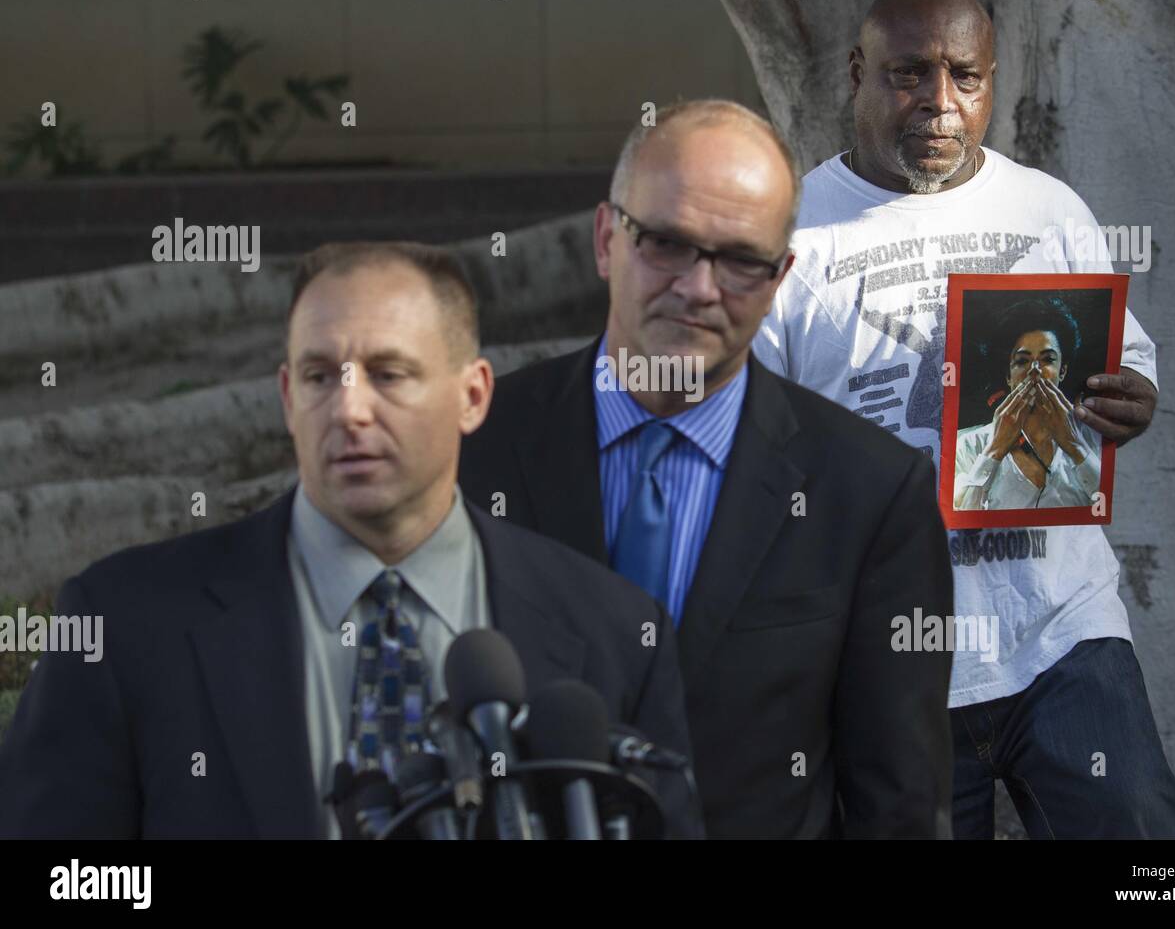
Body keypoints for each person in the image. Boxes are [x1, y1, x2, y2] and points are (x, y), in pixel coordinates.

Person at [0, 242, 700, 840]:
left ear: (474, 395)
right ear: (285, 397)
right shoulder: (126, 623)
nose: (349, 407)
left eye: (388, 374)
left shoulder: (614, 632)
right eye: (318, 376)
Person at [755, 0, 1175, 838]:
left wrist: (1130, 403)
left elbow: (1124, 364)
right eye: (909, 73)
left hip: (1061, 627)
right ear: (856, 72)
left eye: (966, 76)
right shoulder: (792, 231)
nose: (940, 103)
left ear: (993, 81)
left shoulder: (1047, 208)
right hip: (886, 657)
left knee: (1147, 842)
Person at [460, 99, 955, 839]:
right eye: (666, 242)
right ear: (605, 239)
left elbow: (901, 804)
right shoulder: (473, 446)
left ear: (781, 275)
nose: (698, 288)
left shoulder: (871, 492)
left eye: (740, 260)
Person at [954, 297, 1099, 510]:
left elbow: (1115, 510)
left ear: (1063, 370)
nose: (1035, 371)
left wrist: (1075, 447)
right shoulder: (968, 444)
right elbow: (961, 521)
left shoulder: (1093, 438)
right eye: (1022, 361)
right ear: (1008, 376)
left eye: (1047, 359)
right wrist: (995, 450)